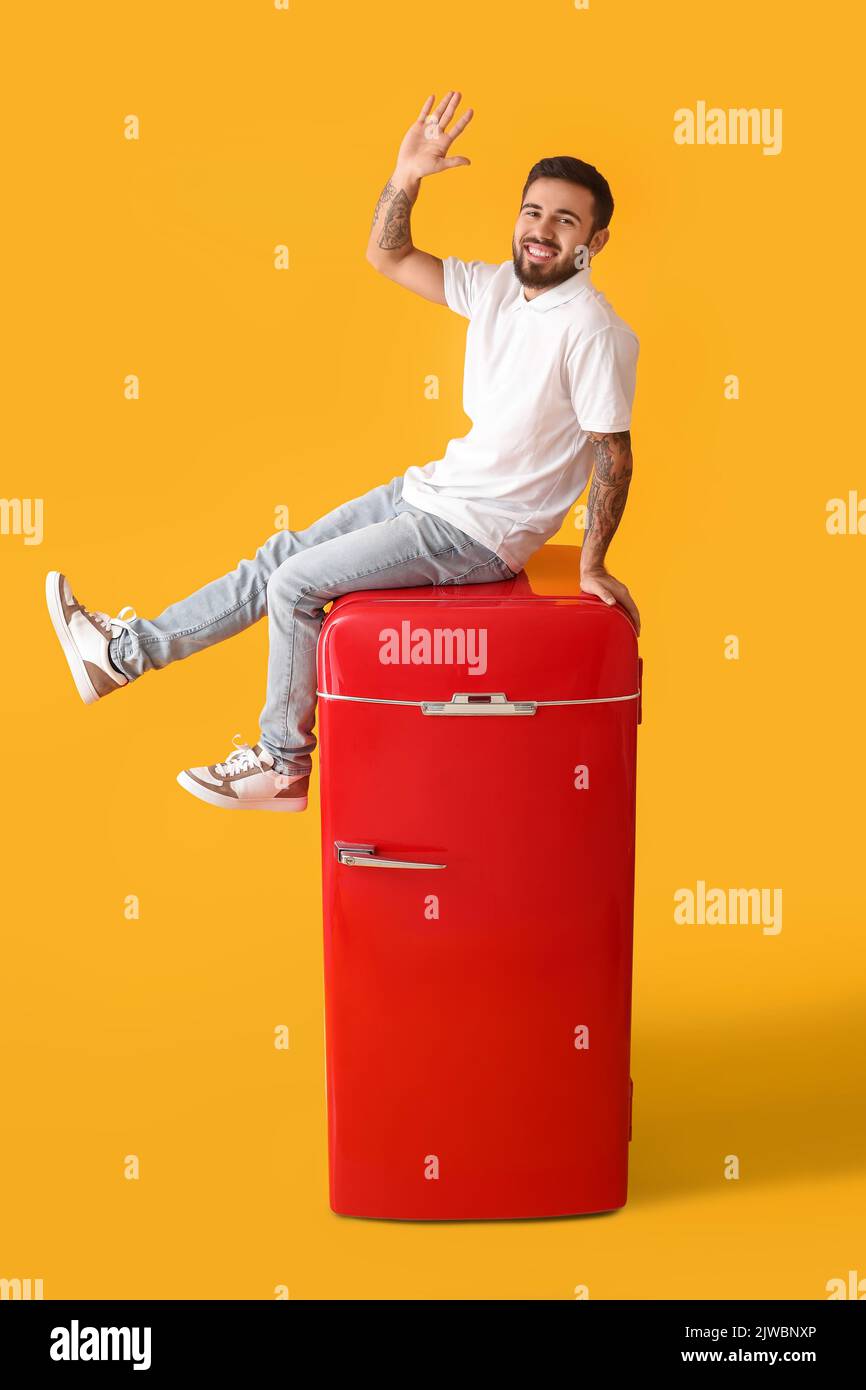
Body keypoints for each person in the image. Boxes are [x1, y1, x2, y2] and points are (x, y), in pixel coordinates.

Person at [45, 90, 640, 813]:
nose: (542, 230)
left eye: (565, 220)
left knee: (296, 585)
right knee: (278, 558)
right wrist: (407, 174)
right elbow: (386, 256)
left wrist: (592, 561)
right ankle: (121, 656)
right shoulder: (494, 290)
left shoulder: (593, 329)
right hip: (432, 494)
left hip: (480, 532)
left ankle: (282, 765)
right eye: (533, 211)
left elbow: (612, 452)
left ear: (593, 242)